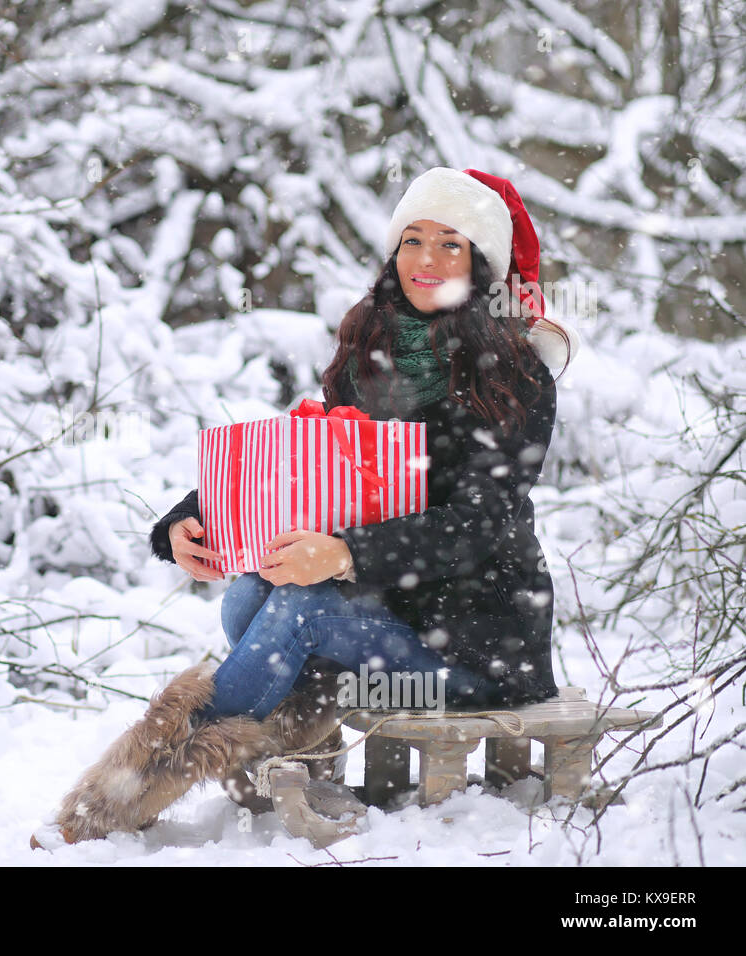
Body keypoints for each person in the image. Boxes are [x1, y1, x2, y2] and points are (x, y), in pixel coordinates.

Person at [32, 166, 580, 848]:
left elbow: (480, 524)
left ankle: (122, 795)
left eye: (451, 244)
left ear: (482, 263)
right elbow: (305, 463)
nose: (427, 261)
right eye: (412, 240)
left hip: (475, 650)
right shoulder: (371, 357)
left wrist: (350, 554)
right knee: (248, 594)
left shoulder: (516, 375)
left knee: (303, 608)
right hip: (390, 621)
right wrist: (183, 521)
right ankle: (258, 756)